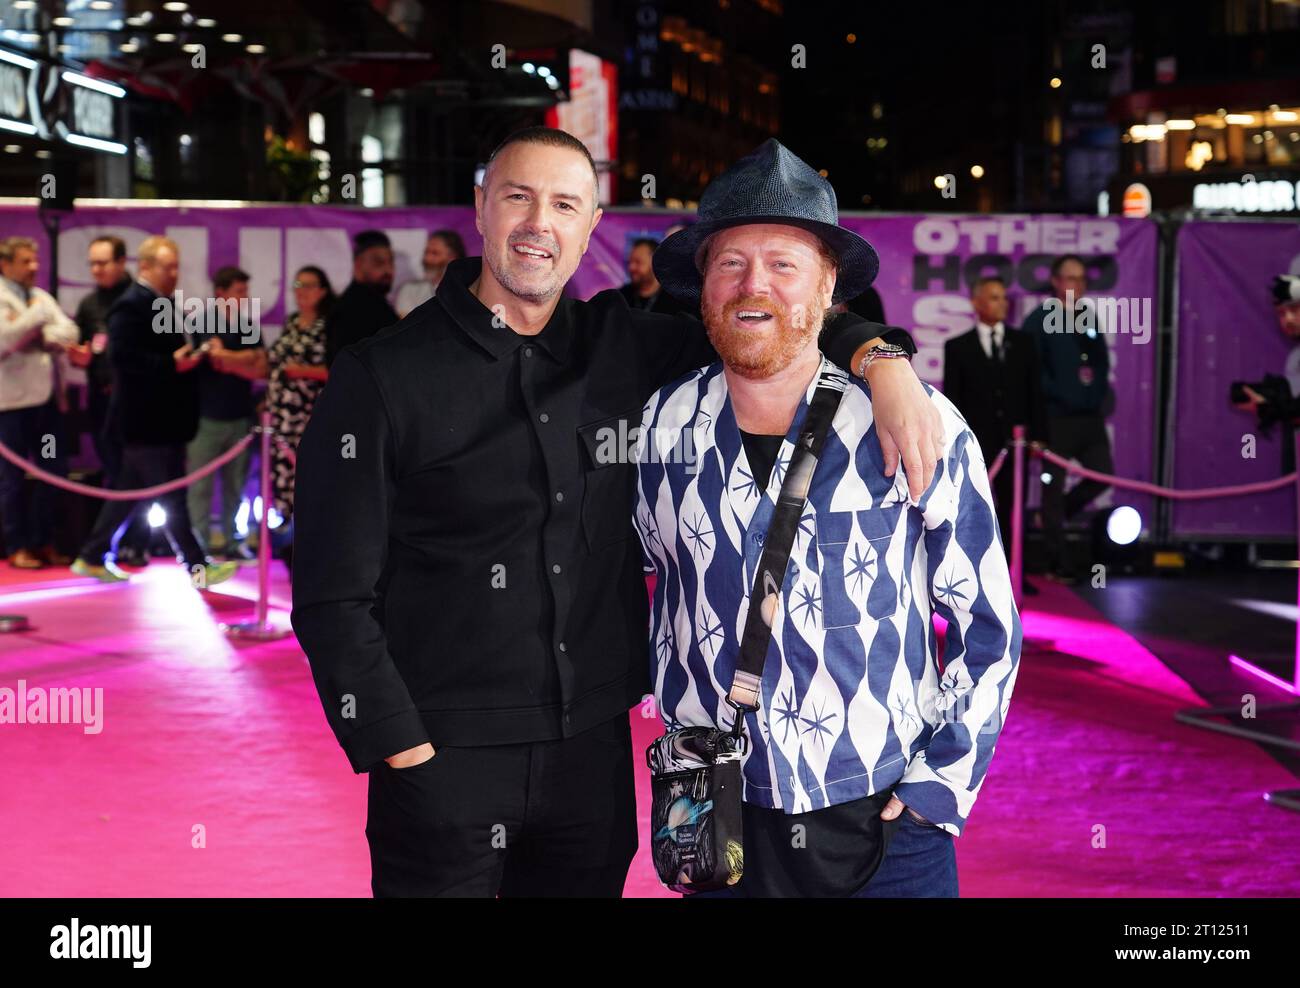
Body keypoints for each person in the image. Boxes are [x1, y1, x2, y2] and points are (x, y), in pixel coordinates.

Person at [290, 126, 944, 898]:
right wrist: (401, 749)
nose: (540, 223)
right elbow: (332, 594)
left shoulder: (626, 346)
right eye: (518, 198)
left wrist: (882, 359)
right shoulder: (383, 375)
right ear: (480, 208)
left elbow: (765, 310)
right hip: (445, 761)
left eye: (564, 203)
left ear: (590, 225)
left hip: (591, 768)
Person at [637, 139, 1021, 898]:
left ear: (827, 284)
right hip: (719, 819)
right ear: (705, 284)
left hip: (884, 824)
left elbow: (988, 623)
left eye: (784, 263)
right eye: (731, 262)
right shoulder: (657, 427)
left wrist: (938, 790)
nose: (756, 284)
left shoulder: (918, 422)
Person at [71, 236, 238, 588]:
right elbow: (122, 358)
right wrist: (170, 364)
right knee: (171, 495)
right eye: (168, 266)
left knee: (126, 492)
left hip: (160, 421)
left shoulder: (159, 303)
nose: (175, 273)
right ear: (145, 266)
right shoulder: (130, 306)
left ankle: (91, 554)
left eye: (177, 266)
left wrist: (188, 360)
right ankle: (197, 565)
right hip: (144, 421)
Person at [943, 276, 1047, 577]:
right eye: (993, 297)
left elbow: (1035, 394)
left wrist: (1039, 436)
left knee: (1014, 508)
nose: (1001, 304)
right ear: (976, 303)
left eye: (1004, 297)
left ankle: (1014, 572)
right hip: (976, 442)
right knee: (972, 506)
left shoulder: (1025, 344)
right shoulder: (958, 347)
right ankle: (971, 570)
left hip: (1015, 443)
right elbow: (954, 398)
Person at [1021, 254, 1114, 584]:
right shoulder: (1041, 317)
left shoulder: (1087, 317)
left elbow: (1100, 363)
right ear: (1057, 282)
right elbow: (1029, 366)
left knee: (1102, 475)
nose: (1075, 285)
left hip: (1089, 418)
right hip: (1056, 417)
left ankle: (1053, 518)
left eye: (1081, 280)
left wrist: (1097, 393)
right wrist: (1053, 395)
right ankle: (1055, 559)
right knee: (1052, 486)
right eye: (1069, 278)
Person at [66, 235, 151, 566]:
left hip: (135, 403)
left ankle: (135, 543)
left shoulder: (139, 300)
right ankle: (107, 547)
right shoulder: (89, 304)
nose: (97, 269)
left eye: (103, 262)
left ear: (121, 262)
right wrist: (80, 358)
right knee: (116, 473)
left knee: (137, 474)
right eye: (92, 264)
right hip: (101, 402)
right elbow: (82, 351)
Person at [0, 236, 78, 569]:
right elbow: (4, 340)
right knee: (11, 478)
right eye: (25, 261)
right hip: (11, 405)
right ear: (5, 265)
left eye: (35, 260)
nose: (34, 267)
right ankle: (17, 545)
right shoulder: (21, 301)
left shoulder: (41, 297)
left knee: (53, 471)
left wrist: (39, 334)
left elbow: (70, 332)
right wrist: (35, 321)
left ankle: (41, 540)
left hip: (46, 405)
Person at [185, 266, 268, 561]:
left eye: (246, 291)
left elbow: (262, 366)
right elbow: (215, 360)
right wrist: (243, 359)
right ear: (220, 293)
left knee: (238, 486)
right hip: (206, 418)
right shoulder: (202, 322)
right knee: (200, 487)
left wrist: (235, 358)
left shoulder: (248, 326)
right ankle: (199, 545)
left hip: (240, 417)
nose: (244, 297)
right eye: (239, 291)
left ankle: (234, 542)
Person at [266, 265, 333, 580]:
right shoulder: (292, 322)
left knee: (311, 487)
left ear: (322, 290)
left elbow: (334, 370)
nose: (301, 291)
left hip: (308, 416)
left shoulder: (327, 325)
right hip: (281, 419)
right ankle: (287, 548)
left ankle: (311, 553)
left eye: (309, 286)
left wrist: (302, 372)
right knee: (283, 488)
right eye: (297, 285)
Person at [324, 230, 398, 367]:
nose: (388, 270)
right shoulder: (350, 309)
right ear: (358, 264)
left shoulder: (378, 304)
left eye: (391, 262)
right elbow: (343, 367)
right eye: (379, 262)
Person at [394, 230, 465, 317]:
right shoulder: (409, 289)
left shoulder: (466, 290)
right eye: (426, 252)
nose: (427, 258)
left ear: (452, 257)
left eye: (435, 253)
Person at [618, 237, 683, 314]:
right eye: (630, 262)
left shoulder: (676, 300)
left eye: (638, 262)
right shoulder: (621, 297)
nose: (631, 267)